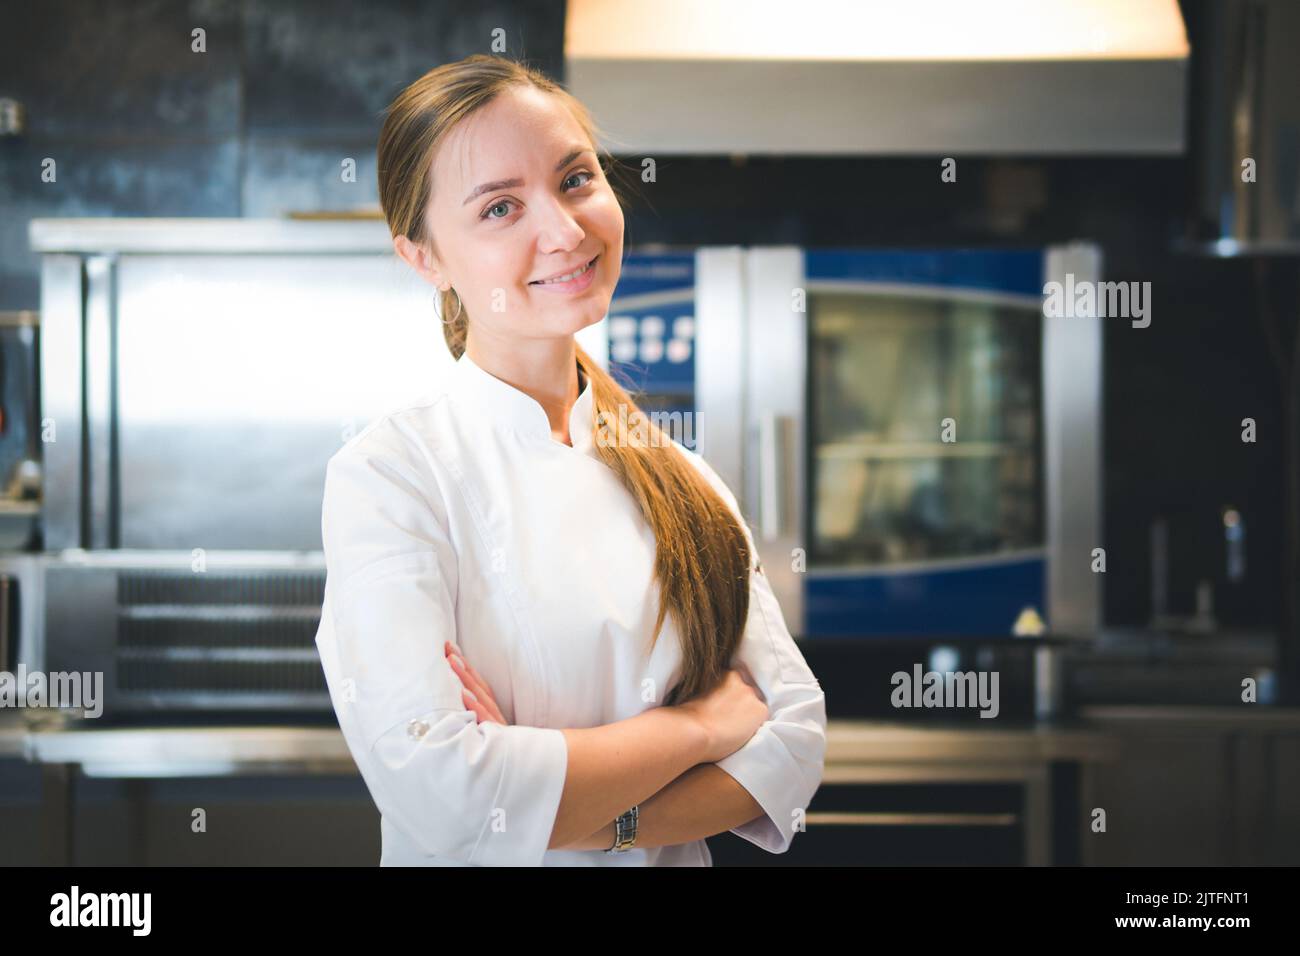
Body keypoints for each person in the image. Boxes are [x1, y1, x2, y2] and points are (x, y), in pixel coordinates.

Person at [314, 53, 827, 866]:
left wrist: (589, 816)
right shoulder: (393, 477)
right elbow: (446, 793)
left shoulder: (684, 480)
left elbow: (793, 740)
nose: (563, 230)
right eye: (500, 208)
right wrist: (695, 729)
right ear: (425, 259)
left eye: (576, 179)